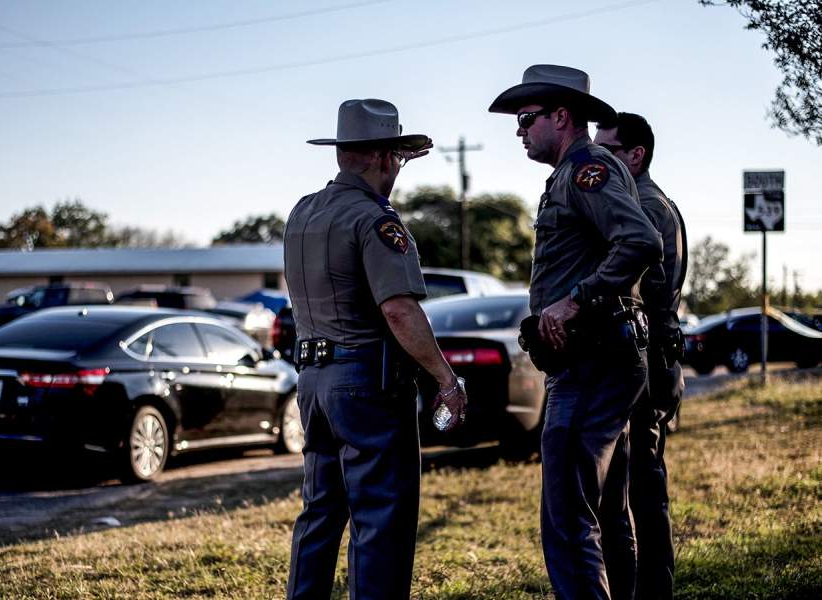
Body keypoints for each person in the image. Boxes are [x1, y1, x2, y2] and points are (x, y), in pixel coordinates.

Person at [489, 65, 663, 600]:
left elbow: (640, 241)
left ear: (561, 117)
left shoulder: (588, 168)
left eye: (525, 118)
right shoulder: (570, 174)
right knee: (606, 515)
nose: (519, 131)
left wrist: (576, 300)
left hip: (591, 361)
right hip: (592, 361)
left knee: (568, 520)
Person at [284, 98, 467, 600]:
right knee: (380, 520)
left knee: (319, 514)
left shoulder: (303, 211)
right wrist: (445, 379)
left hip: (313, 380)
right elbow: (399, 310)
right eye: (401, 160)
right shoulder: (376, 219)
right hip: (365, 383)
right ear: (386, 157)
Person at [596, 112, 688, 600]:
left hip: (644, 361)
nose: (598, 159)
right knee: (636, 490)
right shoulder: (648, 201)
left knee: (636, 494)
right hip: (651, 358)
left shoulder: (645, 207)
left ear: (637, 155)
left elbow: (642, 294)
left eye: (608, 151)